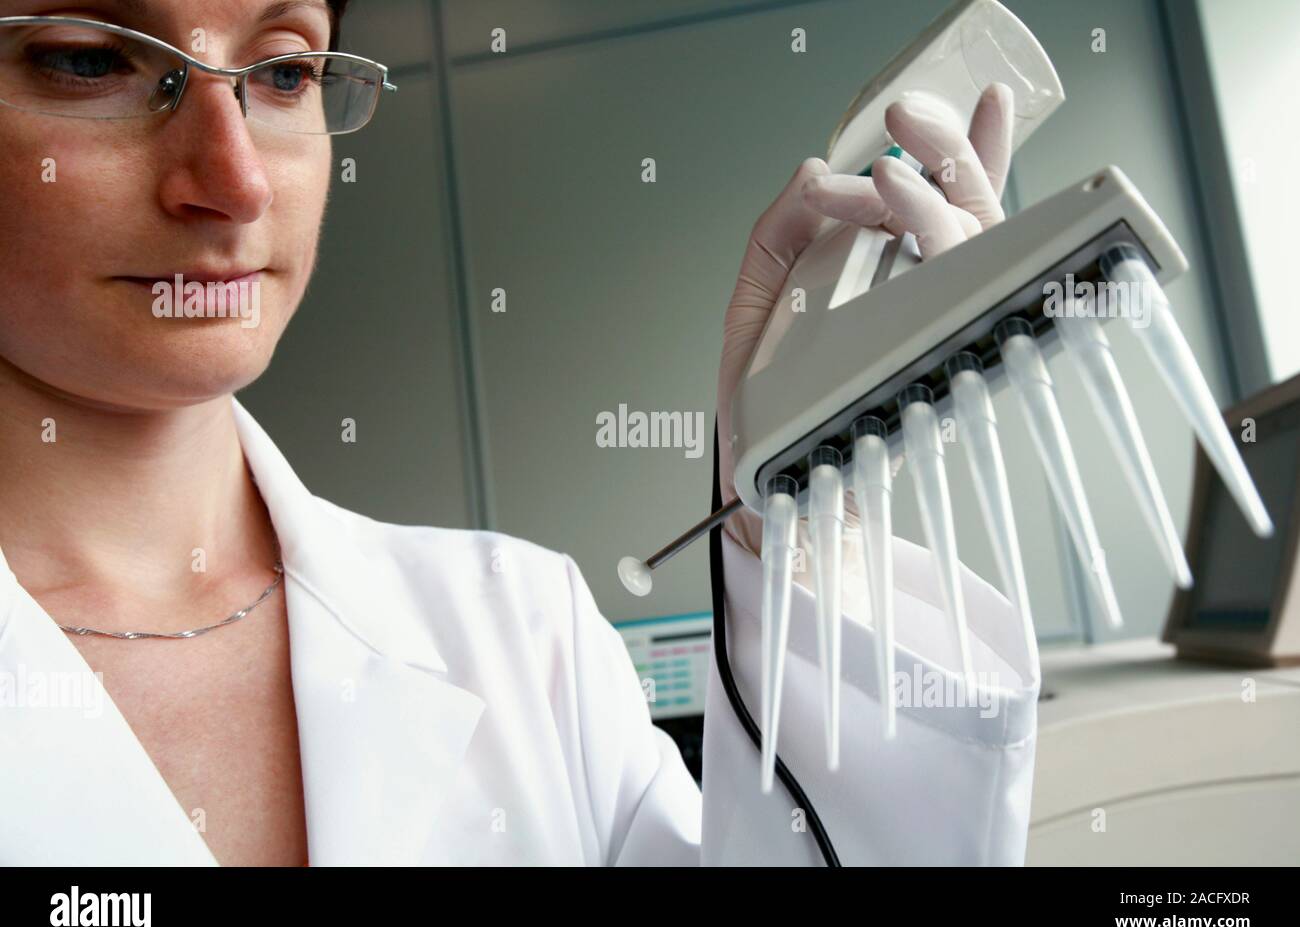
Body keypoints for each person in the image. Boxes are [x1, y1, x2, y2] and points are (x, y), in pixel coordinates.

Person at [0, 0, 1038, 865]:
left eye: (282, 74)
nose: (235, 183)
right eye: (88, 61)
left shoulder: (521, 630)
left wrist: (814, 518)